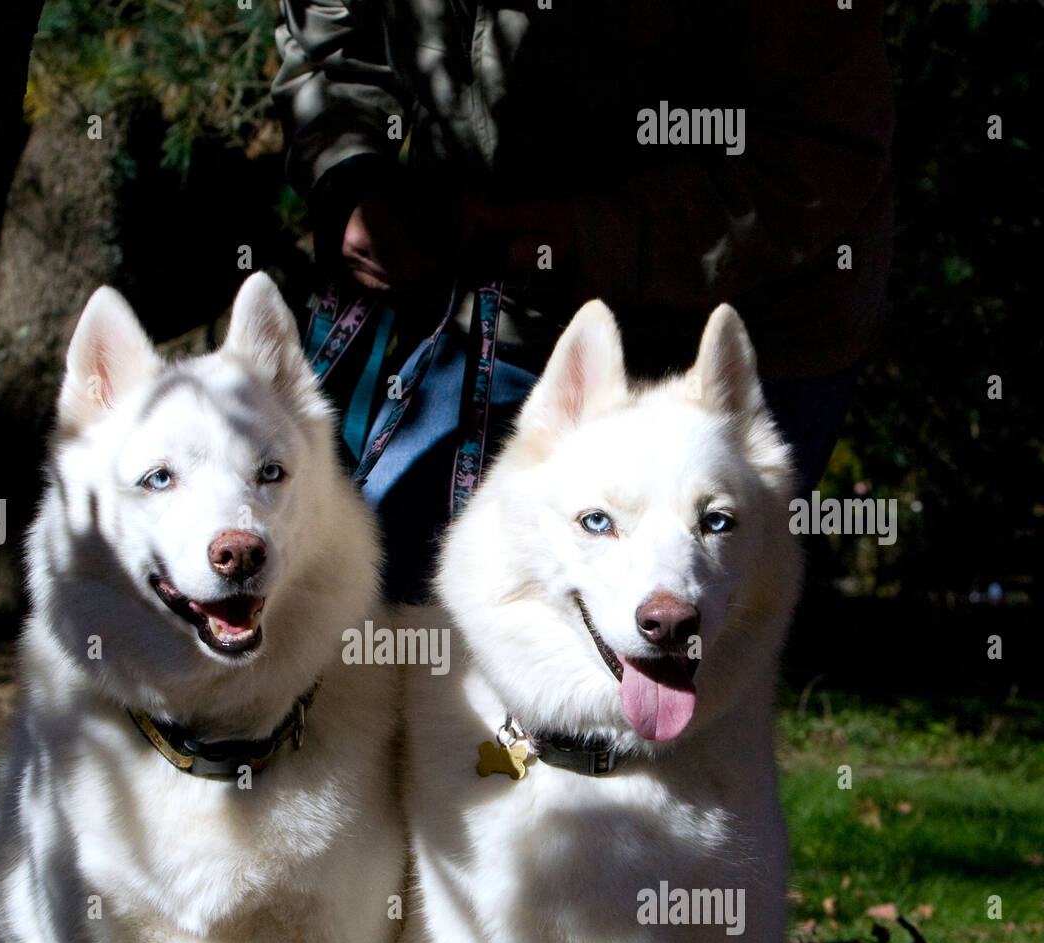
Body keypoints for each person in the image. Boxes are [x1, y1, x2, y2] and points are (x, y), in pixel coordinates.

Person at [273, 1, 894, 601]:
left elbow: (818, 152)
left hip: (755, 321)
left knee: (664, 623)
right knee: (395, 584)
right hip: (499, 306)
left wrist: (592, 239)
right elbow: (328, 40)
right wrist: (349, 174)